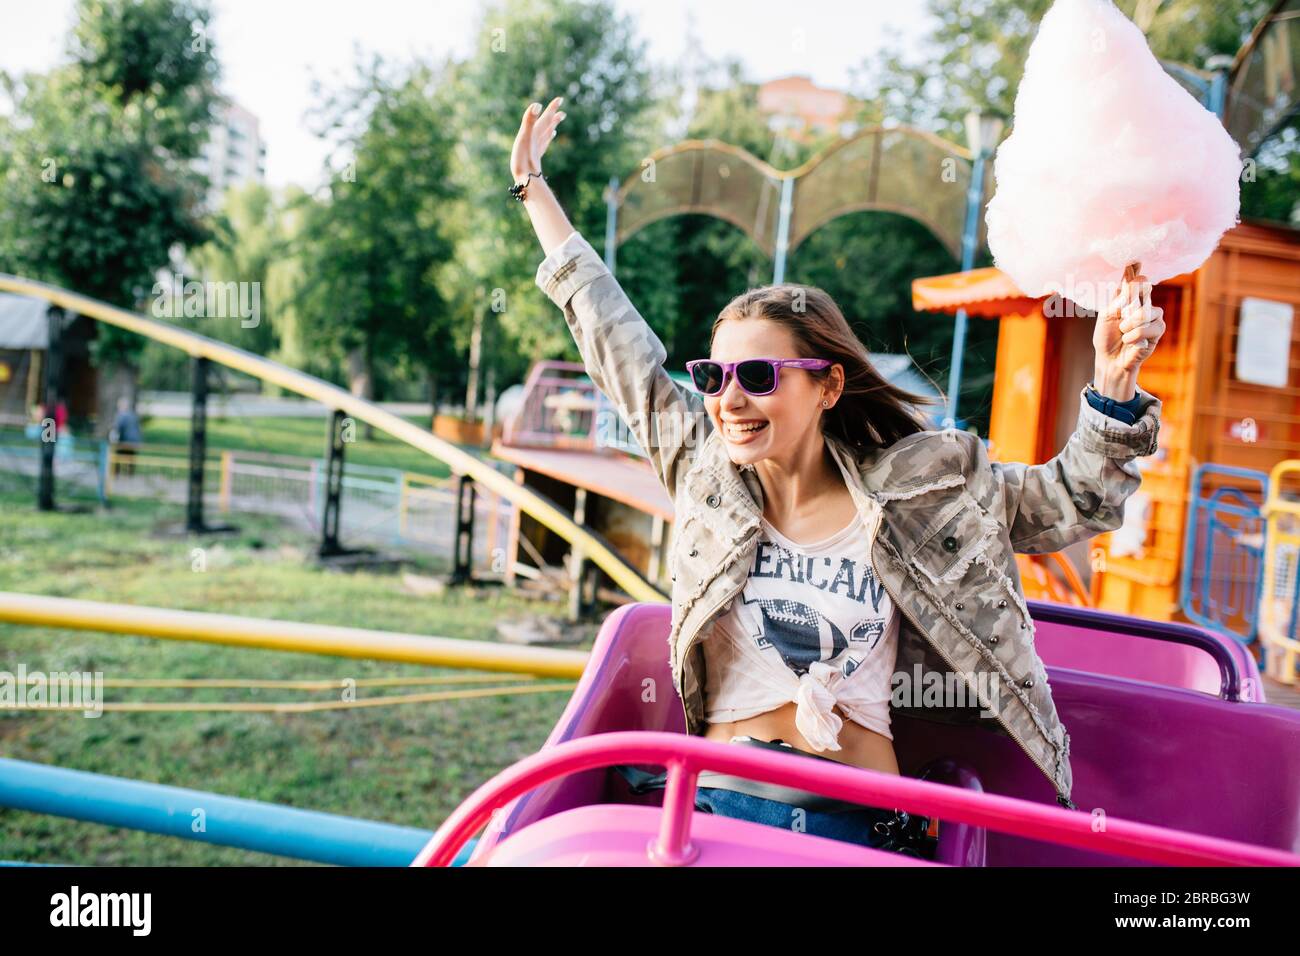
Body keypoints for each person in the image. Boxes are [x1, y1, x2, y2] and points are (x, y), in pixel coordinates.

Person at [509, 97, 1164, 855]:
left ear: (826, 386)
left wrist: (1114, 383)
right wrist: (534, 191)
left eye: (757, 374)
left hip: (861, 832)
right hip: (717, 819)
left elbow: (1071, 501)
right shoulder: (704, 472)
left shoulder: (926, 487)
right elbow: (613, 339)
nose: (728, 396)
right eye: (714, 373)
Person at [110, 396, 143, 477]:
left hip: (125, 441)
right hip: (135, 441)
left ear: (121, 406)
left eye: (119, 406)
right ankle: (130, 474)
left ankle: (116, 474)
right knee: (131, 457)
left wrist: (113, 439)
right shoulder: (133, 415)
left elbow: (117, 428)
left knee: (117, 455)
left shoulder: (121, 415)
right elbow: (138, 428)